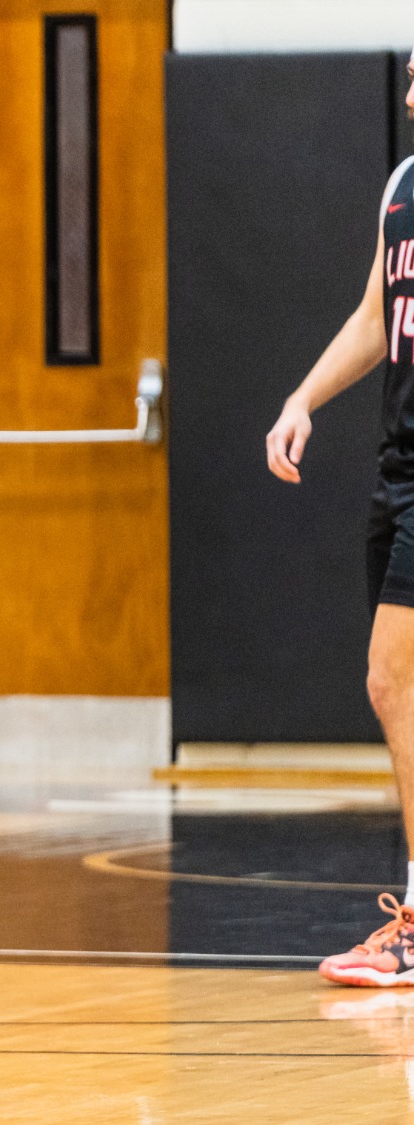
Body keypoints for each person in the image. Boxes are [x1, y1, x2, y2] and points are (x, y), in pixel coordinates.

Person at [268, 50, 414, 989]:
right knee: (406, 689)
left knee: (391, 677)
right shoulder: (403, 186)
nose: (413, 95)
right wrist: (304, 397)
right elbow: (374, 314)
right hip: (399, 470)